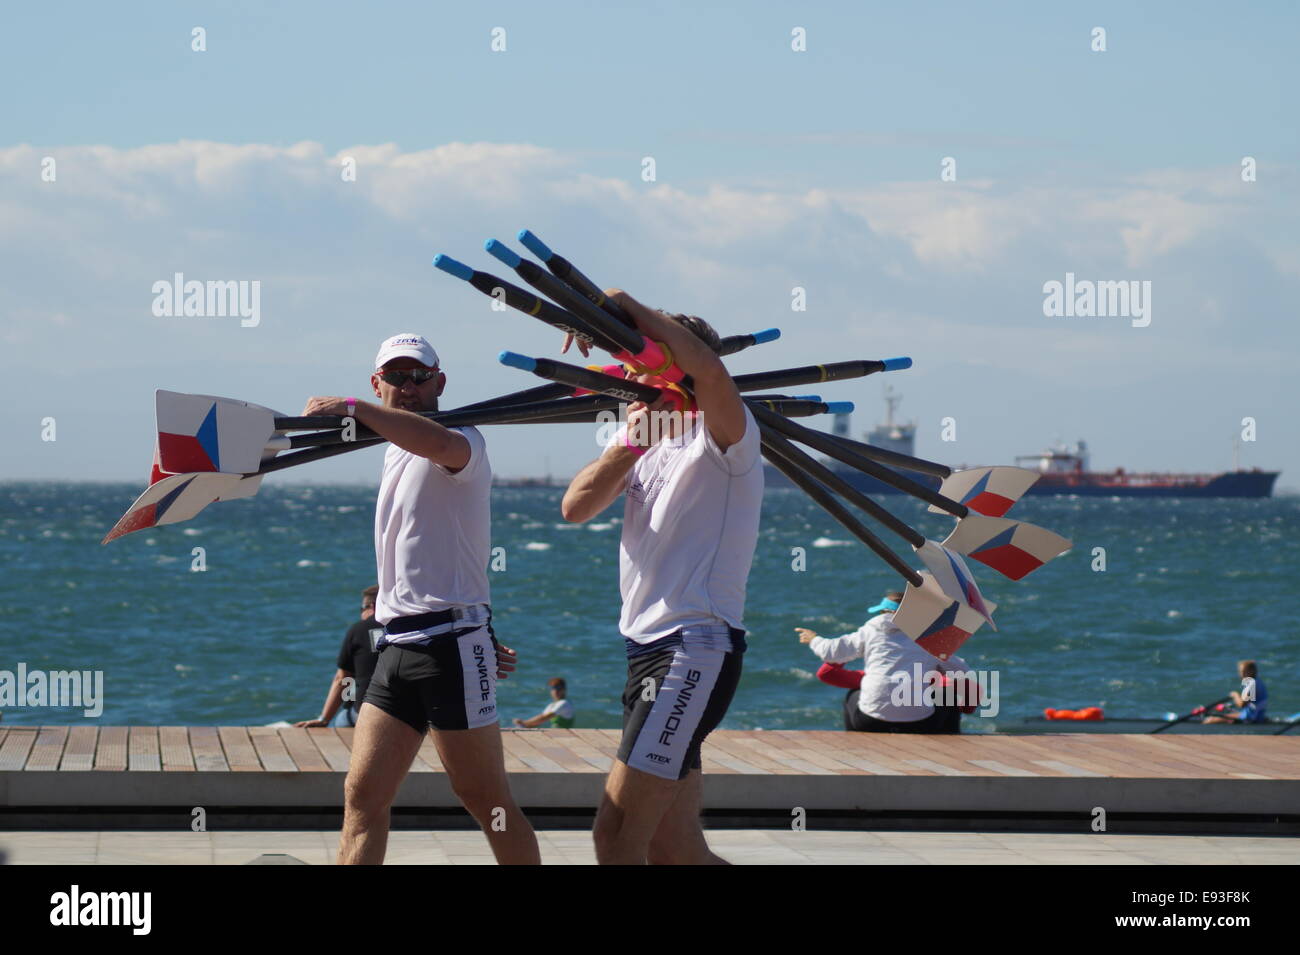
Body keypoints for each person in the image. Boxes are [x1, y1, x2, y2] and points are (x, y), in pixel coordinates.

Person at [302, 333, 540, 865]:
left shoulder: (464, 439)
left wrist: (353, 408)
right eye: (395, 378)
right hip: (396, 648)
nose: (407, 388)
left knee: (485, 800)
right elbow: (437, 555)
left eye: (418, 377)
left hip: (452, 648)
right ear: (377, 382)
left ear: (440, 383)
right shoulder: (391, 451)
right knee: (362, 798)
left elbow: (437, 446)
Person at [561, 290, 763, 866]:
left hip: (692, 649)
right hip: (645, 651)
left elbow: (706, 364)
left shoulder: (728, 436)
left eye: (636, 366)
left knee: (616, 837)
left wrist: (618, 305)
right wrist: (628, 445)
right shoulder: (643, 443)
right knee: (676, 849)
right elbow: (575, 508)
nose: (626, 383)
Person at [796, 591, 975, 733]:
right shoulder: (928, 638)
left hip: (870, 722)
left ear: (884, 612)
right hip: (920, 724)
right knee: (947, 697)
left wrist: (814, 639)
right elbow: (963, 672)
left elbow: (831, 652)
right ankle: (952, 742)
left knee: (852, 696)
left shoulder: (871, 631)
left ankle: (855, 742)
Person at [295, 585, 384, 728]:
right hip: (409, 711)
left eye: (362, 608)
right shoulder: (406, 629)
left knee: (342, 719)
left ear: (372, 606)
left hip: (369, 712)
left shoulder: (358, 629)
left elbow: (342, 678)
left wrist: (324, 719)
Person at [1203, 660, 1269, 724]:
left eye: (1243, 672)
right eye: (1240, 672)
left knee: (1211, 720)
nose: (1241, 674)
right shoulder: (1258, 681)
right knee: (1231, 714)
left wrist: (1235, 695)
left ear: (1251, 671)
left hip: (1251, 718)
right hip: (1258, 715)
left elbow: (1241, 704)